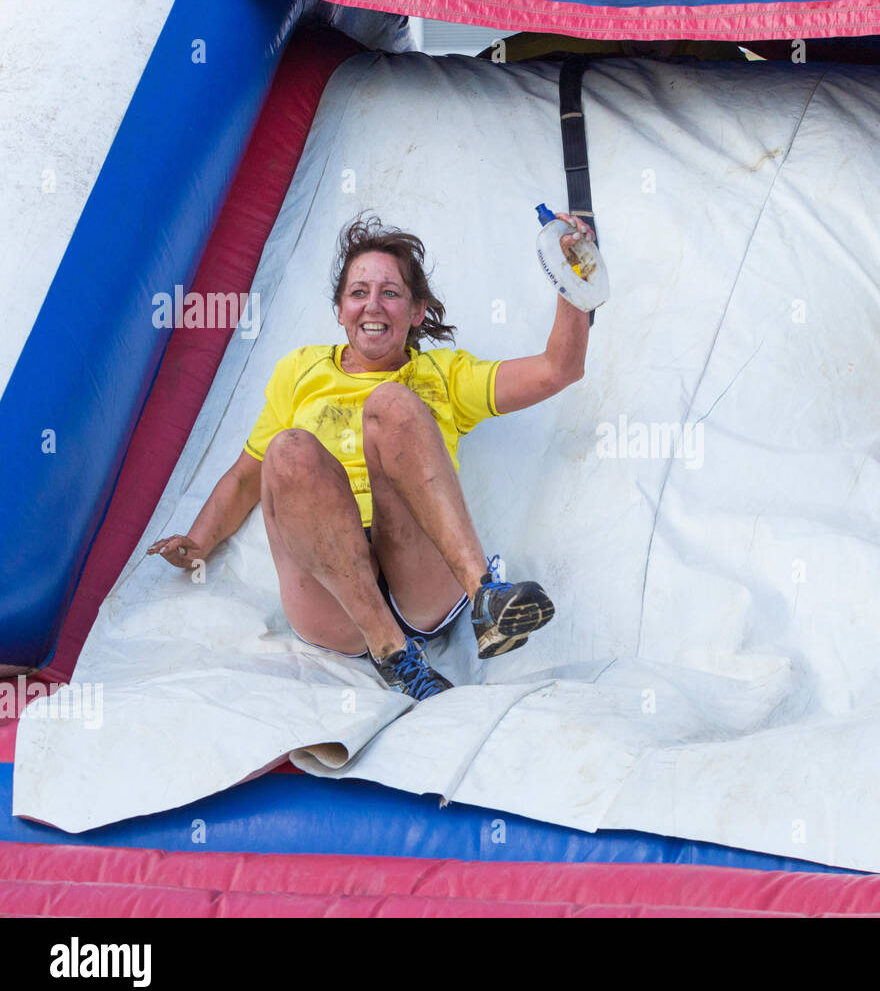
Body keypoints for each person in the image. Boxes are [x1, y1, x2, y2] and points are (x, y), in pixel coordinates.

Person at [148, 213, 594, 699]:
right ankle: (393, 654)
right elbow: (243, 478)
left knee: (392, 402)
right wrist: (197, 540)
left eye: (391, 292)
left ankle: (484, 597)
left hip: (419, 579)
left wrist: (573, 276)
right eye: (358, 292)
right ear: (340, 310)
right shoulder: (298, 370)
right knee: (287, 448)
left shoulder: (443, 374)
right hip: (330, 595)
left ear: (417, 311)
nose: (372, 305)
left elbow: (558, 370)